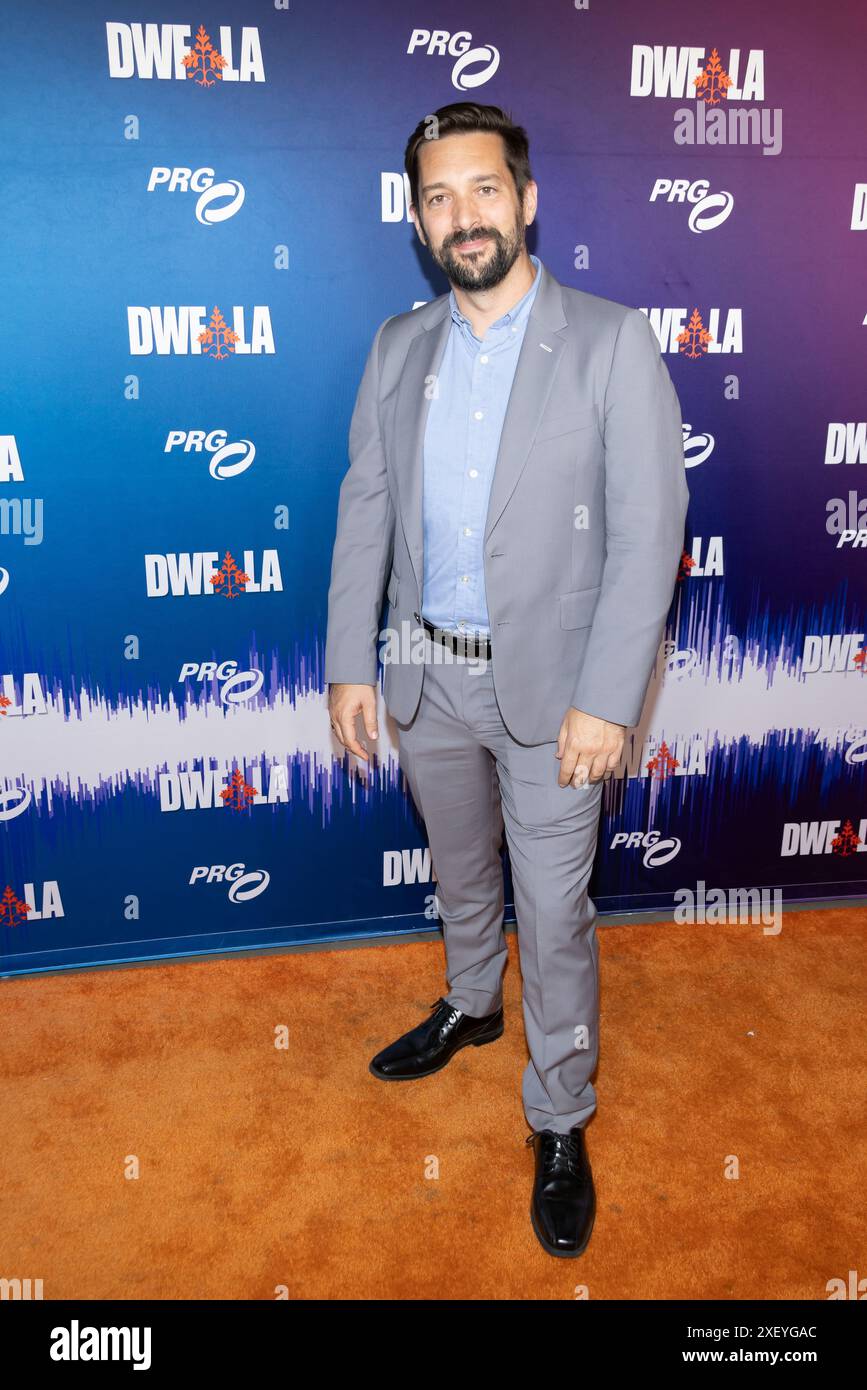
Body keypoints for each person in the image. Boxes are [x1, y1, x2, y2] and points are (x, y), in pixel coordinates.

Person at [324, 101, 689, 1259]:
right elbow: (367, 508)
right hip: (426, 671)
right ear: (418, 218)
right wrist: (351, 662)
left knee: (559, 910)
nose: (462, 215)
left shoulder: (609, 340)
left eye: (484, 190)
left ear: (526, 200)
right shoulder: (395, 347)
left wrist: (608, 698)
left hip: (558, 694)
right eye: (438, 197)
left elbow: (649, 529)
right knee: (461, 871)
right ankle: (473, 1001)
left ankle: (561, 1113)